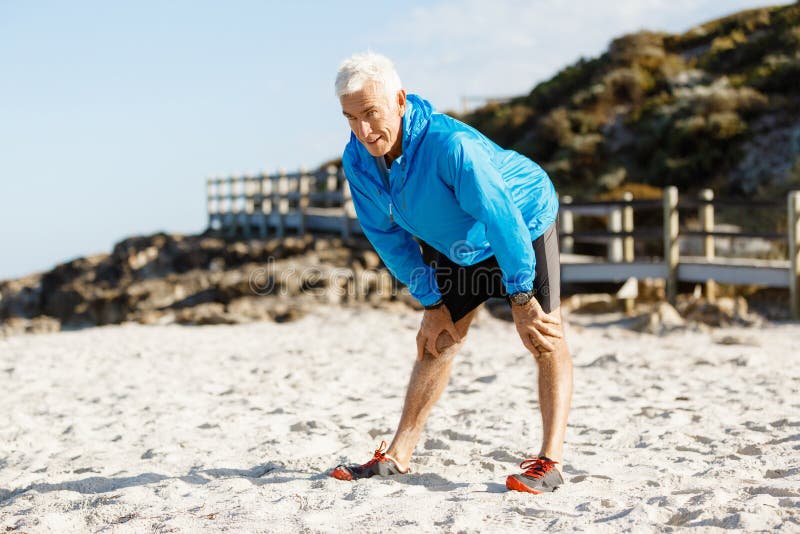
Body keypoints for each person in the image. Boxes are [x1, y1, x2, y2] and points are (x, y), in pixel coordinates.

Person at [329, 52, 573, 494]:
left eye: (371, 114)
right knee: (436, 339)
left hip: (523, 220)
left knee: (542, 333)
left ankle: (549, 462)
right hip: (459, 244)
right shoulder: (359, 160)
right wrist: (430, 301)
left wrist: (520, 296)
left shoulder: (450, 145)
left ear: (399, 100)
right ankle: (398, 456)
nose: (363, 131)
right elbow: (385, 235)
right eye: (351, 118)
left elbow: (501, 219)